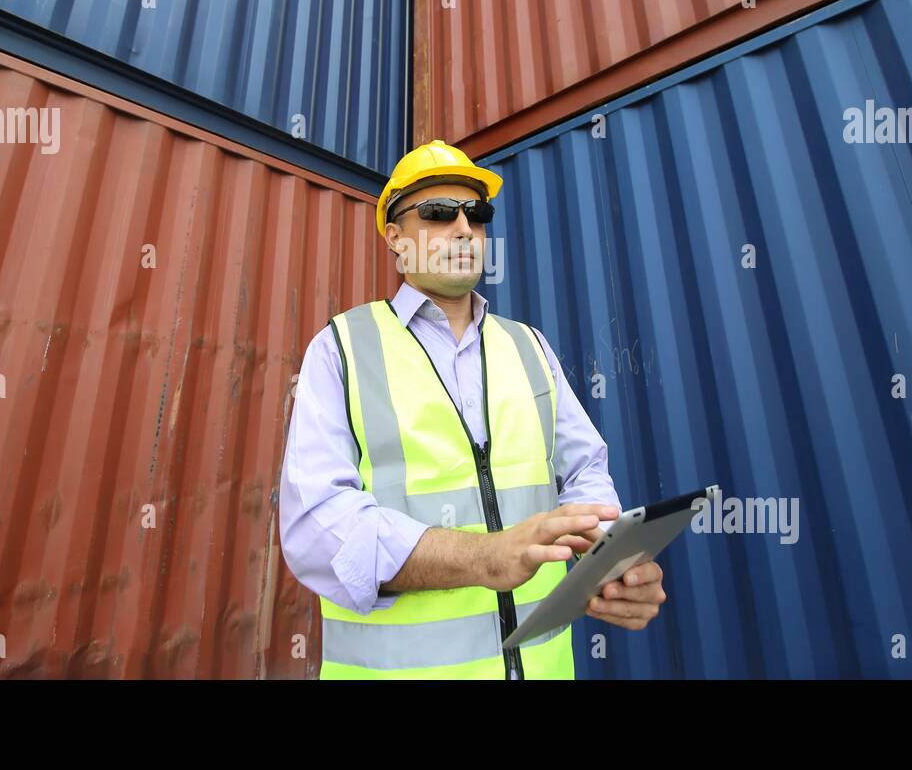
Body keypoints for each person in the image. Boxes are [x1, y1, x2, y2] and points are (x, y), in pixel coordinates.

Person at [279, 139, 667, 679]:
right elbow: (316, 529)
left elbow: (584, 474)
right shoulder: (341, 348)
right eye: (440, 213)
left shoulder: (529, 347)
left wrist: (613, 561)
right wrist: (483, 557)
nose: (464, 229)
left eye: (477, 214)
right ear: (395, 238)